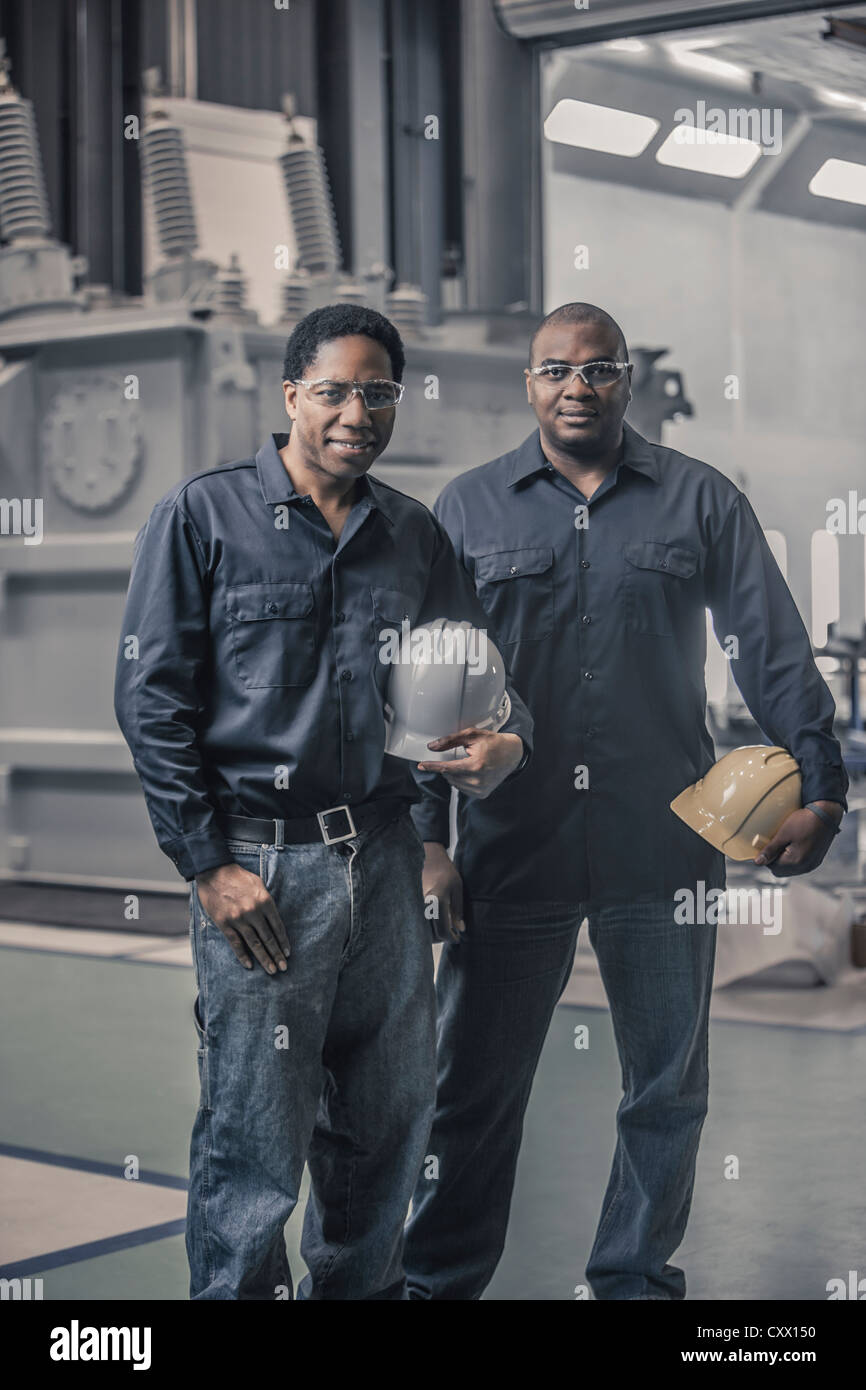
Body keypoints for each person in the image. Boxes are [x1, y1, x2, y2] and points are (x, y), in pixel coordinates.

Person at [403, 301, 847, 1301]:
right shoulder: (468, 508)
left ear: (623, 382)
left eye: (596, 369)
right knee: (468, 1087)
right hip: (512, 843)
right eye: (555, 369)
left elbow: (768, 650)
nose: (575, 387)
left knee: (665, 1086)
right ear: (528, 383)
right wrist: (427, 844)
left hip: (664, 838)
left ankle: (633, 1279)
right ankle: (435, 1281)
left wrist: (821, 785)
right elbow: (434, 685)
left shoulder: (698, 502)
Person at [113, 303, 531, 1301]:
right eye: (335, 389)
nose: (357, 411)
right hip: (261, 870)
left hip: (383, 859)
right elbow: (151, 699)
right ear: (292, 393)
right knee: (255, 1137)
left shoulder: (412, 535)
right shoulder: (201, 516)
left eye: (377, 391)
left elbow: (465, 687)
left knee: (384, 1127)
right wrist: (208, 865)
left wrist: (495, 746)